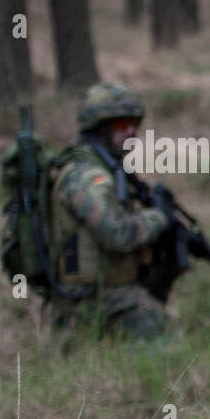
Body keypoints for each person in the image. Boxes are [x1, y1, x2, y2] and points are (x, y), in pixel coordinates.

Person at [49, 82, 172, 339]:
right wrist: (158, 217)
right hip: (93, 299)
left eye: (134, 124)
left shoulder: (103, 168)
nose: (130, 131)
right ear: (99, 127)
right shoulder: (87, 175)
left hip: (102, 293)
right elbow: (116, 233)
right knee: (168, 346)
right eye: (121, 124)